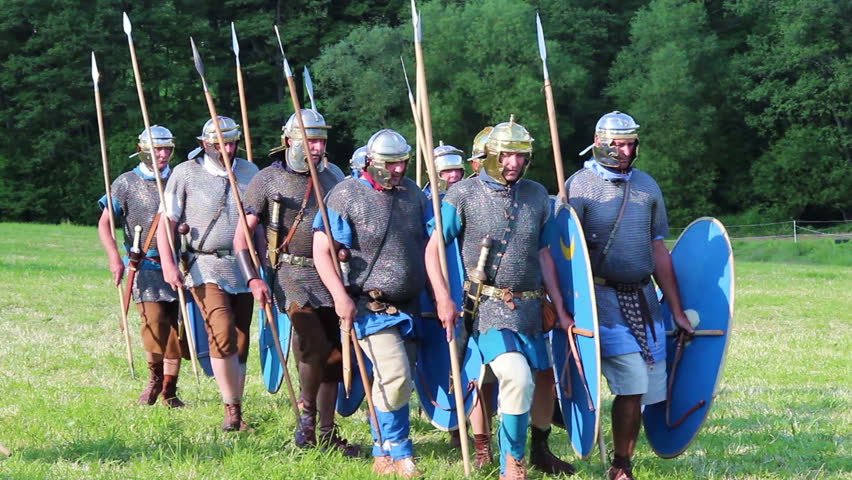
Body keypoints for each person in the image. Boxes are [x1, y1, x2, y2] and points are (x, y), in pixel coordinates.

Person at [426, 116, 575, 480]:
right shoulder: (462, 195)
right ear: (492, 155)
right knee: (516, 376)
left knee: (540, 379)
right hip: (490, 308)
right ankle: (513, 463)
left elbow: (544, 255)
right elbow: (434, 251)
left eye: (521, 156)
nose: (514, 163)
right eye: (507, 155)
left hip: (532, 307)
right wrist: (444, 298)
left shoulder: (538, 195)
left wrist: (562, 307)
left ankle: (537, 450)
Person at [567, 111, 694, 480]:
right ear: (600, 144)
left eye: (630, 144)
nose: (626, 151)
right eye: (618, 144)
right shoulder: (579, 187)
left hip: (643, 301)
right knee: (633, 381)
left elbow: (658, 250)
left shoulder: (647, 186)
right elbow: (564, 253)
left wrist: (676, 308)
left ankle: (624, 458)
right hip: (600, 301)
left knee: (644, 390)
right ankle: (621, 466)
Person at [235, 109, 358, 455]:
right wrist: (254, 279)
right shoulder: (267, 180)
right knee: (312, 343)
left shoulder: (333, 176)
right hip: (290, 275)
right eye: (311, 139)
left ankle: (328, 432)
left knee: (334, 355)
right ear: (290, 140)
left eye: (321, 140)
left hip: (331, 276)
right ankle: (306, 416)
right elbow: (241, 239)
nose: (317, 147)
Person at [313, 129, 429, 478]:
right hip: (370, 305)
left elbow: (435, 242)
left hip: (410, 304)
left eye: (402, 163)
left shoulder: (413, 194)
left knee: (398, 381)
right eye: (390, 164)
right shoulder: (346, 195)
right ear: (371, 162)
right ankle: (399, 452)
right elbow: (323, 251)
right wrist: (339, 297)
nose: (397, 170)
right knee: (393, 375)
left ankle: (384, 446)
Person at [158, 116, 260, 432]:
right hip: (205, 266)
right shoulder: (185, 174)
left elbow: (257, 225)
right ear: (205, 144)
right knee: (223, 331)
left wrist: (262, 268)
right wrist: (168, 264)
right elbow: (167, 224)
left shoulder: (250, 172)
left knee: (241, 339)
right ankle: (231, 411)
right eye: (220, 144)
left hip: (243, 266)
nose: (228, 149)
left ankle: (237, 406)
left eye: (232, 143)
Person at [97, 126, 186, 408]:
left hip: (181, 264)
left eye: (166, 149)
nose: (162, 154)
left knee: (178, 329)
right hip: (145, 265)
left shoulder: (181, 178)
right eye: (157, 149)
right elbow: (104, 224)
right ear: (143, 151)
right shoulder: (126, 183)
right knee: (153, 324)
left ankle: (170, 390)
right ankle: (155, 379)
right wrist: (114, 257)